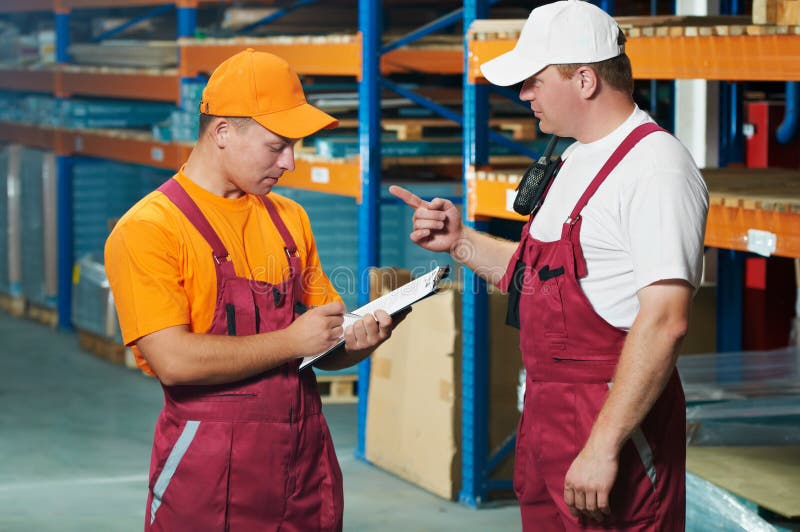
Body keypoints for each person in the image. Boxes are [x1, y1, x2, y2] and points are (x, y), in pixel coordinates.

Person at [391, 1, 708, 530]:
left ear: (584, 79)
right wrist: (460, 241)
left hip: (609, 420)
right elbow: (538, 276)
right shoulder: (578, 157)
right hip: (545, 413)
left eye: (535, 81)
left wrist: (604, 445)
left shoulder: (655, 170)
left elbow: (665, 320)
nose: (524, 95)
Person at [105, 48, 401, 531]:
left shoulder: (289, 218)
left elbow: (322, 341)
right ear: (223, 132)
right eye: (276, 145)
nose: (290, 162)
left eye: (295, 146)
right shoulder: (150, 228)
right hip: (209, 471)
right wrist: (292, 341)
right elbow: (173, 361)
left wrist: (358, 342)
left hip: (305, 461)